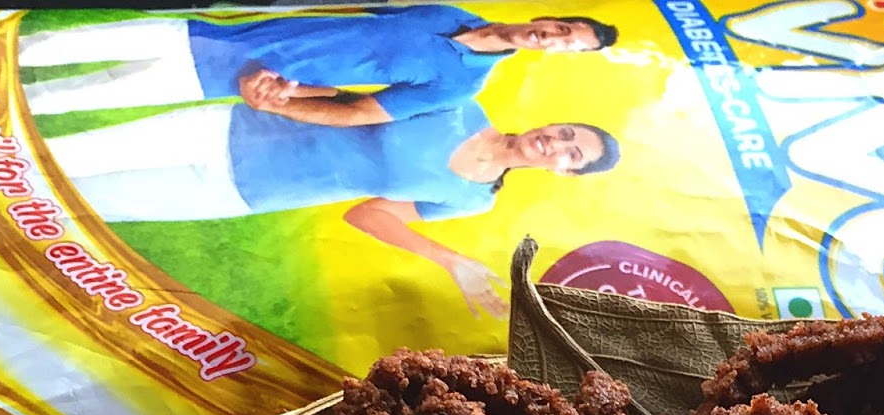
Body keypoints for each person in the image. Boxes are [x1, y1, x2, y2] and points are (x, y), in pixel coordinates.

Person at [45, 100, 620, 317]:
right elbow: (339, 94)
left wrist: (452, 262)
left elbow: (366, 215)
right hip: (230, 129)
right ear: (553, 120)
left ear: (565, 171)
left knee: (75, 208)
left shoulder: (470, 198)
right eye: (566, 131)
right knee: (44, 159)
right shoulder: (457, 107)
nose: (556, 142)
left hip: (244, 192)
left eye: (571, 153)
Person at [19, 8, 618, 120]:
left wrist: (283, 95)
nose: (553, 38)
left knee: (54, 97)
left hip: (219, 74)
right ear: (550, 17)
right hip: (211, 28)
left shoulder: (458, 85)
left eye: (567, 46)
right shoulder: (446, 9)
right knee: (35, 49)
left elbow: (360, 112)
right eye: (564, 29)